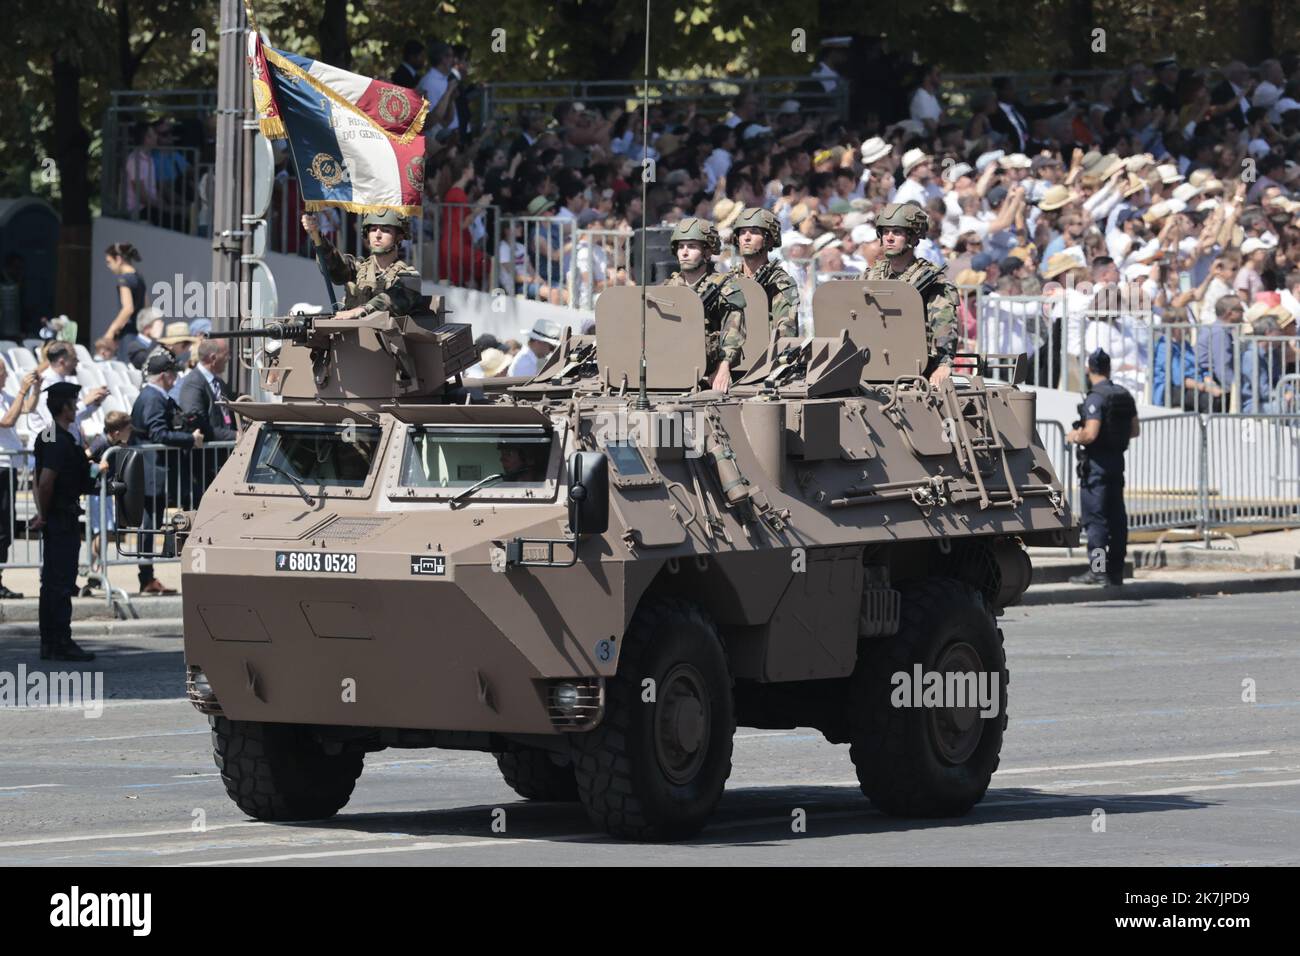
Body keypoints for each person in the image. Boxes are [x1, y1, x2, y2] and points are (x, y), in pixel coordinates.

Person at [302, 209, 424, 390]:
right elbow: (335, 268)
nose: (378, 235)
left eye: (386, 230)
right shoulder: (358, 268)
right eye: (373, 229)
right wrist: (316, 236)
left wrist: (359, 311)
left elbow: (392, 300)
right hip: (350, 356)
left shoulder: (409, 276)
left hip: (387, 364)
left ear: (399, 236)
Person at [31, 382, 96, 661]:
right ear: (65, 407)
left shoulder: (47, 435)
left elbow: (37, 481)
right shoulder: (58, 439)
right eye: (74, 402)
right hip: (62, 517)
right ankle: (60, 641)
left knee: (51, 584)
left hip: (56, 515)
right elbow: (45, 482)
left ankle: (50, 642)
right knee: (61, 584)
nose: (77, 407)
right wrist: (44, 514)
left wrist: (41, 512)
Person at [130, 350, 204, 596]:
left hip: (157, 471)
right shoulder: (153, 397)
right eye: (173, 373)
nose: (176, 377)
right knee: (149, 525)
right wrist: (189, 439)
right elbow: (158, 434)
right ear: (164, 375)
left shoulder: (157, 395)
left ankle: (147, 577)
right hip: (153, 472)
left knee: (151, 523)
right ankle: (146, 578)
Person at [865, 202, 959, 386]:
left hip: (915, 371)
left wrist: (943, 364)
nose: (889, 238)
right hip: (871, 365)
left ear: (913, 237)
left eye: (897, 232)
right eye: (885, 232)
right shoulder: (870, 275)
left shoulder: (931, 279)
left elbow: (943, 324)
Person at [1067, 348, 1139, 587]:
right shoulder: (1124, 394)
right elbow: (1135, 430)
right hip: (1117, 463)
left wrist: (1075, 436)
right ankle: (1116, 572)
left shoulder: (1096, 397)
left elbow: (1091, 433)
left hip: (1096, 466)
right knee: (1117, 520)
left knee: (1095, 521)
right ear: (1109, 368)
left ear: (1089, 369)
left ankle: (1097, 570)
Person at [660, 217, 747, 392]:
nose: (684, 252)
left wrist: (723, 369)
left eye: (692, 246)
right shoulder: (667, 289)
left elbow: (733, 333)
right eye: (681, 247)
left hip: (707, 373)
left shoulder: (724, 287)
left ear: (707, 252)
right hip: (668, 370)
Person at [729, 206, 800, 341]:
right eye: (742, 232)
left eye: (754, 232)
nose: (746, 238)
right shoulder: (729, 280)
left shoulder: (780, 282)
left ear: (769, 240)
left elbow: (785, 333)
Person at [0, 361, 40, 598]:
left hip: (8, 467)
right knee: (1, 527)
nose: (6, 376)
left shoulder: (4, 394)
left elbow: (26, 408)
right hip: (0, 466)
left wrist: (34, 390)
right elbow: (7, 421)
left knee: (5, 527)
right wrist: (22, 390)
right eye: (3, 373)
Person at [31, 342, 109, 446]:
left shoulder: (65, 382)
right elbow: (53, 419)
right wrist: (85, 402)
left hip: (65, 447)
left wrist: (95, 403)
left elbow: (76, 417)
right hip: (49, 449)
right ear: (62, 362)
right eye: (74, 359)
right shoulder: (45, 384)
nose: (77, 362)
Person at [103, 242, 148, 349]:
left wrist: (111, 331)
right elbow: (146, 306)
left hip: (128, 334)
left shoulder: (124, 280)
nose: (108, 266)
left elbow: (128, 309)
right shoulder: (139, 278)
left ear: (118, 260)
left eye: (109, 262)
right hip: (140, 333)